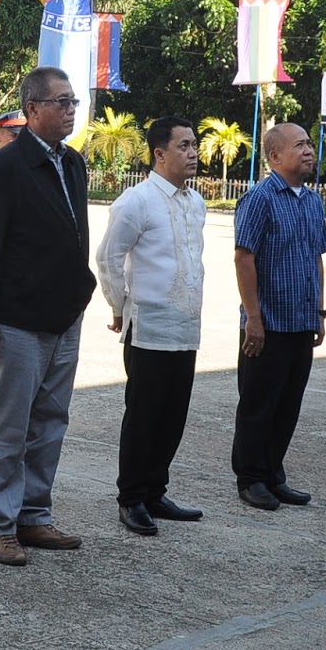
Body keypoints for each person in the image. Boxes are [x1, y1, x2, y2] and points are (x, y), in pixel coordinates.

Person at [0, 66, 95, 565]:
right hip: (17, 322)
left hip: (65, 316)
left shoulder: (74, 164)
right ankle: (0, 525)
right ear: (33, 109)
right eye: (60, 102)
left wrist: (81, 294)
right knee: (10, 426)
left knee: (51, 421)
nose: (69, 111)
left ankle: (35, 516)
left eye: (73, 103)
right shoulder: (4, 168)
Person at [96, 115, 206, 534]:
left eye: (193, 144)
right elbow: (107, 257)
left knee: (173, 415)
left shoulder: (193, 202)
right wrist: (121, 306)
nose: (193, 152)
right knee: (144, 415)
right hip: (149, 326)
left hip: (186, 325)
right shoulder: (136, 201)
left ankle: (156, 491)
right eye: (183, 146)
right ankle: (131, 498)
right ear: (159, 154)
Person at [231, 123, 326, 511]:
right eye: (299, 145)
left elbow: (316, 259)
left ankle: (274, 473)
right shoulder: (259, 198)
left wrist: (320, 312)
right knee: (258, 405)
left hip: (301, 321)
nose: (308, 151)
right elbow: (244, 258)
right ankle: (251, 477)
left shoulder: (311, 201)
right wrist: (253, 318)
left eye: (309, 144)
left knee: (289, 404)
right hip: (268, 323)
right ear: (274, 157)